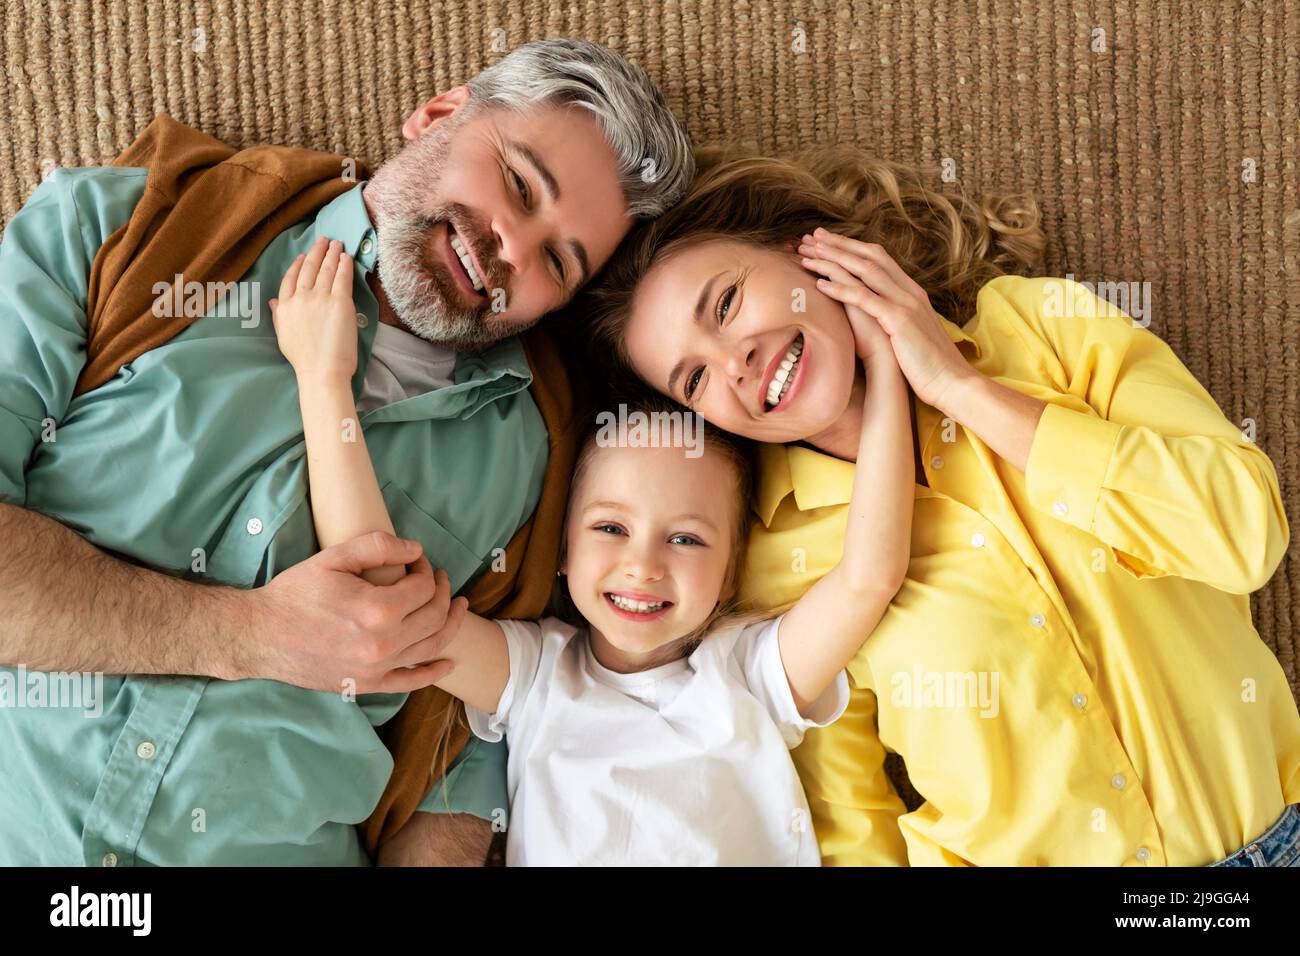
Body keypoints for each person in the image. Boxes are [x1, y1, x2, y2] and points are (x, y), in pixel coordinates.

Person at [0, 38, 693, 866]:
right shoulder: (131, 233)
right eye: (516, 183)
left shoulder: (542, 457)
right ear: (438, 113)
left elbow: (480, 751)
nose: (508, 246)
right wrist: (248, 634)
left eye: (555, 261)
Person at [579, 146, 1300, 866]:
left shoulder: (1039, 329)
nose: (733, 362)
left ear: (809, 253)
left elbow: (1244, 535)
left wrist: (960, 388)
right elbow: (848, 826)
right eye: (695, 377)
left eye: (727, 304)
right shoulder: (775, 560)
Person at [267, 229, 916, 864]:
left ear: (729, 574)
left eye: (687, 538)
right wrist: (324, 385)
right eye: (610, 528)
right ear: (564, 551)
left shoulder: (749, 677)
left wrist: (886, 362)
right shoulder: (537, 678)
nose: (643, 566)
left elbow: (868, 576)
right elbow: (386, 597)